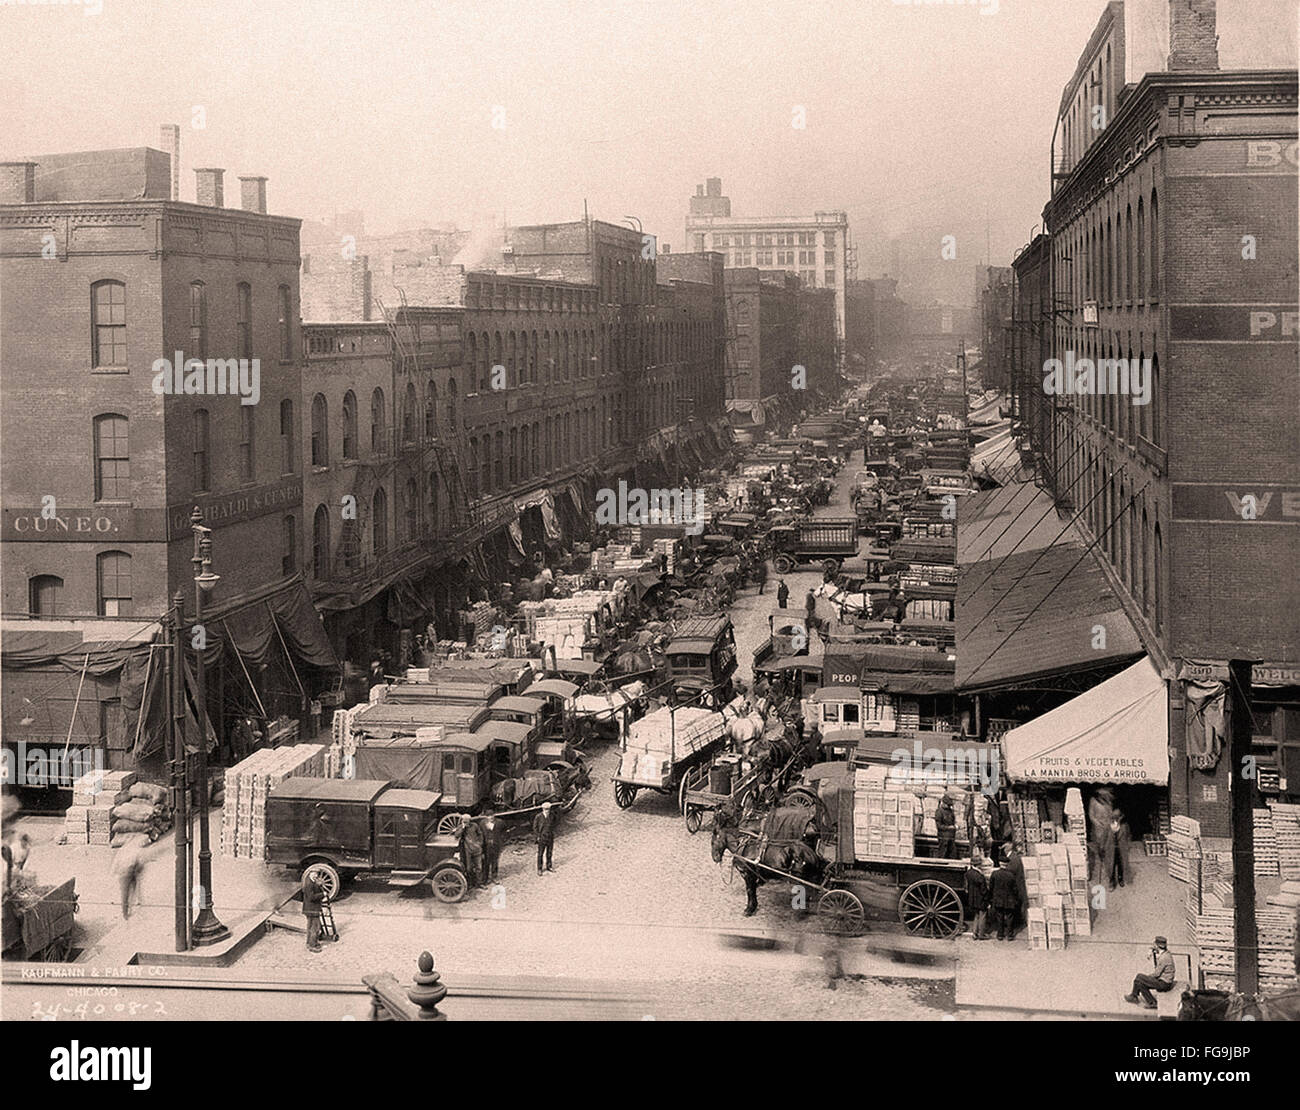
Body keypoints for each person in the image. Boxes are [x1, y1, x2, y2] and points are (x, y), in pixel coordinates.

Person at [1125, 936, 1177, 1009]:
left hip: (1164, 983)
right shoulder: (1166, 953)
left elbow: (1156, 974)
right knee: (1139, 983)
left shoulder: (1164, 958)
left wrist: (1146, 978)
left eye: (1155, 944)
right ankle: (1152, 1002)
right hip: (1164, 980)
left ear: (1157, 946)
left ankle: (1134, 996)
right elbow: (1154, 948)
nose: (1154, 946)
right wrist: (1151, 950)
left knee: (1139, 977)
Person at [115, 835, 148, 920]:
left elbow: (116, 862)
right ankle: (126, 912)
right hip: (127, 873)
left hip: (127, 872)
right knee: (126, 893)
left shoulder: (122, 850)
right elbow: (140, 861)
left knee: (130, 890)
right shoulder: (135, 850)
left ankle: (131, 907)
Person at [989, 858, 1021, 941]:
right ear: (1007, 865)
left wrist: (992, 897)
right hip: (1009, 900)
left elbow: (991, 887)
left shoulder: (994, 874)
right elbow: (1015, 889)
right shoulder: (1011, 875)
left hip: (998, 899)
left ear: (1000, 863)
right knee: (1010, 917)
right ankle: (1009, 935)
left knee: (999, 917)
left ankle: (1000, 934)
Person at [964, 853, 990, 940]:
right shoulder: (980, 876)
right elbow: (984, 891)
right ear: (978, 865)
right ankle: (981, 934)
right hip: (981, 900)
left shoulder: (968, 873)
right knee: (982, 916)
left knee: (976, 916)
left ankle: (974, 933)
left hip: (972, 899)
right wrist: (987, 900)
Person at [301, 868, 325, 953]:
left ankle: (309, 942)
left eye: (317, 874)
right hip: (312, 909)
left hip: (309, 909)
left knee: (310, 926)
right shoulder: (309, 884)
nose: (316, 876)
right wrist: (323, 894)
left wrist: (319, 886)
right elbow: (311, 897)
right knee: (315, 927)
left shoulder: (310, 881)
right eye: (315, 874)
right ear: (310, 873)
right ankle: (313, 945)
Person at [533, 801, 558, 874]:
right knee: (540, 853)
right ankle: (539, 869)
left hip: (550, 836)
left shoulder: (552, 815)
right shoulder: (538, 816)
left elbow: (555, 823)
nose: (547, 811)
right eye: (545, 809)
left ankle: (549, 866)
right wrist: (538, 836)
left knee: (549, 852)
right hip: (542, 837)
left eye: (548, 809)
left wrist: (553, 831)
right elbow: (535, 827)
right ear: (543, 809)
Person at [459, 817, 485, 888]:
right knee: (468, 868)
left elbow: (480, 834)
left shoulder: (475, 825)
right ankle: (470, 883)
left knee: (479, 867)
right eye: (464, 822)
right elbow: (457, 835)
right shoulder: (461, 827)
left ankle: (479, 883)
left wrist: (480, 843)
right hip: (468, 851)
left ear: (470, 821)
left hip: (477, 850)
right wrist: (462, 828)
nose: (466, 823)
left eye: (467, 822)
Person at [481, 809, 503, 883]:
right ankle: (485, 878)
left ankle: (494, 877)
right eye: (488, 816)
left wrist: (500, 840)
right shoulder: (482, 823)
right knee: (486, 862)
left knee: (495, 861)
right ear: (486, 817)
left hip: (495, 844)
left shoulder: (499, 822)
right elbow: (480, 834)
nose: (490, 817)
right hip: (486, 845)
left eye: (492, 815)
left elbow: (504, 831)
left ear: (494, 815)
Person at [935, 793, 957, 859]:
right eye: (948, 805)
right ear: (943, 803)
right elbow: (939, 826)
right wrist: (949, 828)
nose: (949, 806)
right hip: (943, 837)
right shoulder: (939, 812)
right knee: (942, 854)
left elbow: (953, 821)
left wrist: (955, 826)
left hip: (951, 837)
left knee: (952, 854)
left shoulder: (951, 811)